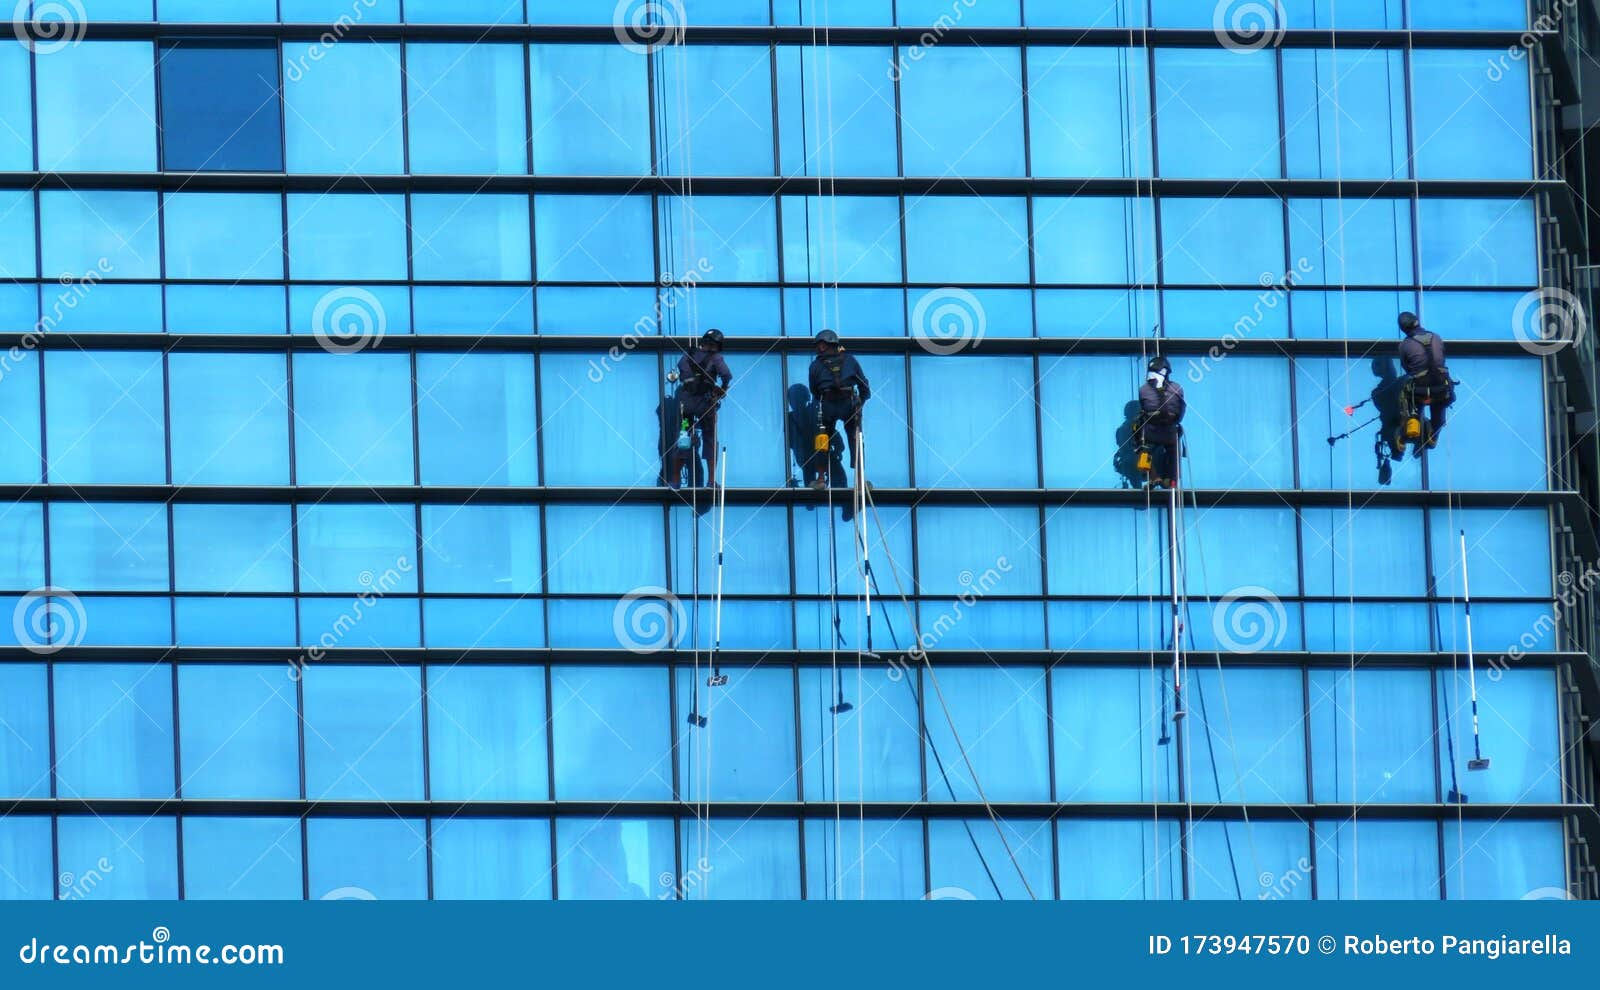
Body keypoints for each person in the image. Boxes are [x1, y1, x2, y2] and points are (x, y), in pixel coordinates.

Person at [806, 329, 870, 491]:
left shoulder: (816, 366)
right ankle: (860, 480)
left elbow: (814, 390)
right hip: (847, 404)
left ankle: (821, 479)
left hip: (830, 404)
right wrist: (860, 403)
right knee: (854, 439)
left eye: (822, 345)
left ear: (829, 344)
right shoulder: (849, 360)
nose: (820, 348)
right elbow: (864, 385)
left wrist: (859, 403)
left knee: (823, 439)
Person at [670, 329, 732, 488]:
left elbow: (681, 368)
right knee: (710, 439)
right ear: (717, 345)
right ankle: (711, 480)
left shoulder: (688, 354)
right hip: (705, 405)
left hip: (687, 406)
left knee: (684, 437)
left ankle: (676, 480)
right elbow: (726, 375)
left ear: (703, 342)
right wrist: (723, 388)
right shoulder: (716, 358)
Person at [1393, 312, 1454, 454]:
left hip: (1419, 391)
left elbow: (1407, 368)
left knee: (1407, 397)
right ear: (1417, 321)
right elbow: (1442, 358)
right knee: (1440, 402)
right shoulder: (1436, 338)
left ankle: (1405, 434)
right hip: (1441, 388)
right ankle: (1433, 435)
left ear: (1403, 329)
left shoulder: (1404, 345)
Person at [1138, 355, 1185, 489]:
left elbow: (1144, 408)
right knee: (1173, 449)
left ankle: (1153, 476)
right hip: (1170, 431)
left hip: (1151, 432)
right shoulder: (1177, 388)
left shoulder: (1143, 390)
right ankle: (1171, 479)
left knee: (1140, 444)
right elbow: (1182, 410)